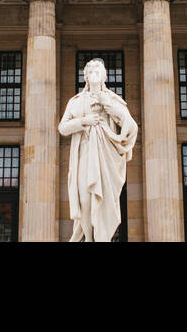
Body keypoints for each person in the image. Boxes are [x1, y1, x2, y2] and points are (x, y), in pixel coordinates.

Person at [58, 59, 138, 241]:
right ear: (85, 77)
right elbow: (62, 128)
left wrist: (107, 105)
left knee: (104, 204)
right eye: (90, 72)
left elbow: (130, 126)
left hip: (106, 158)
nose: (94, 74)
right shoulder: (76, 101)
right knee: (85, 201)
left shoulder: (112, 99)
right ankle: (88, 238)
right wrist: (83, 121)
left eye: (97, 71)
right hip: (84, 156)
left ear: (104, 76)